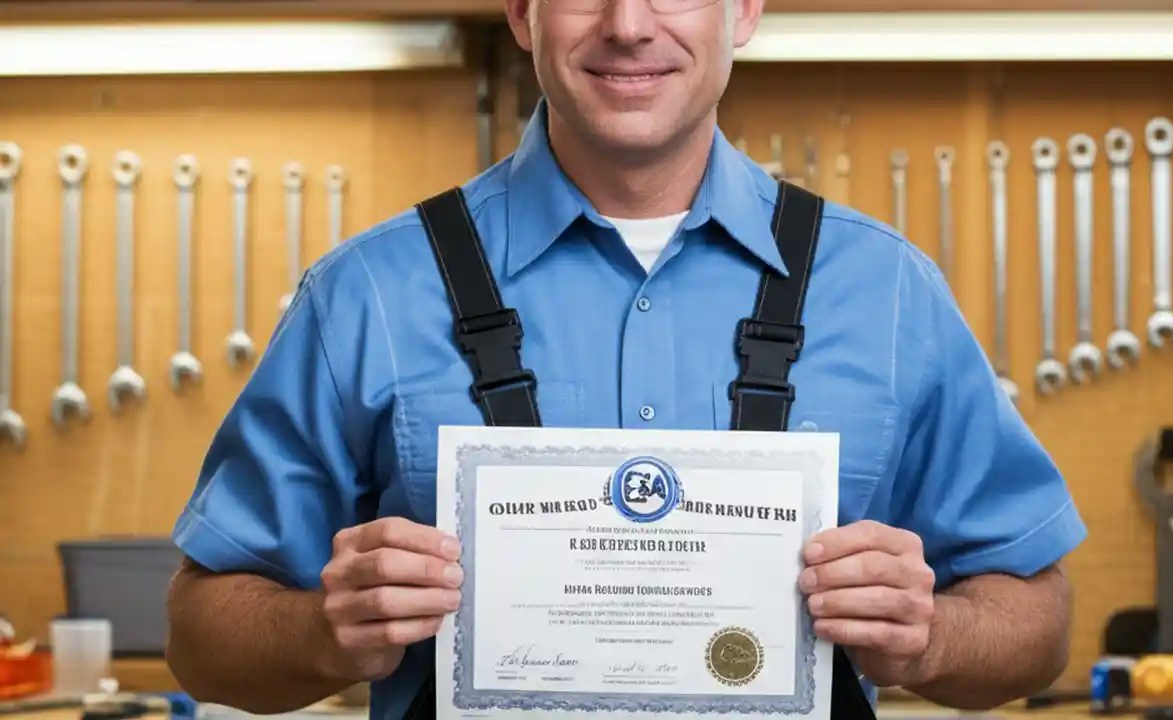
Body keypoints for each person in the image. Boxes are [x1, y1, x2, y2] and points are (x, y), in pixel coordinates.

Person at [164, 0, 1087, 718]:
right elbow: (200, 635)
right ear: (522, 12)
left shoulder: (888, 292)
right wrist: (320, 632)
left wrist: (931, 636)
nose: (629, 24)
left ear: (743, 10)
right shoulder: (365, 294)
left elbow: (1038, 621)